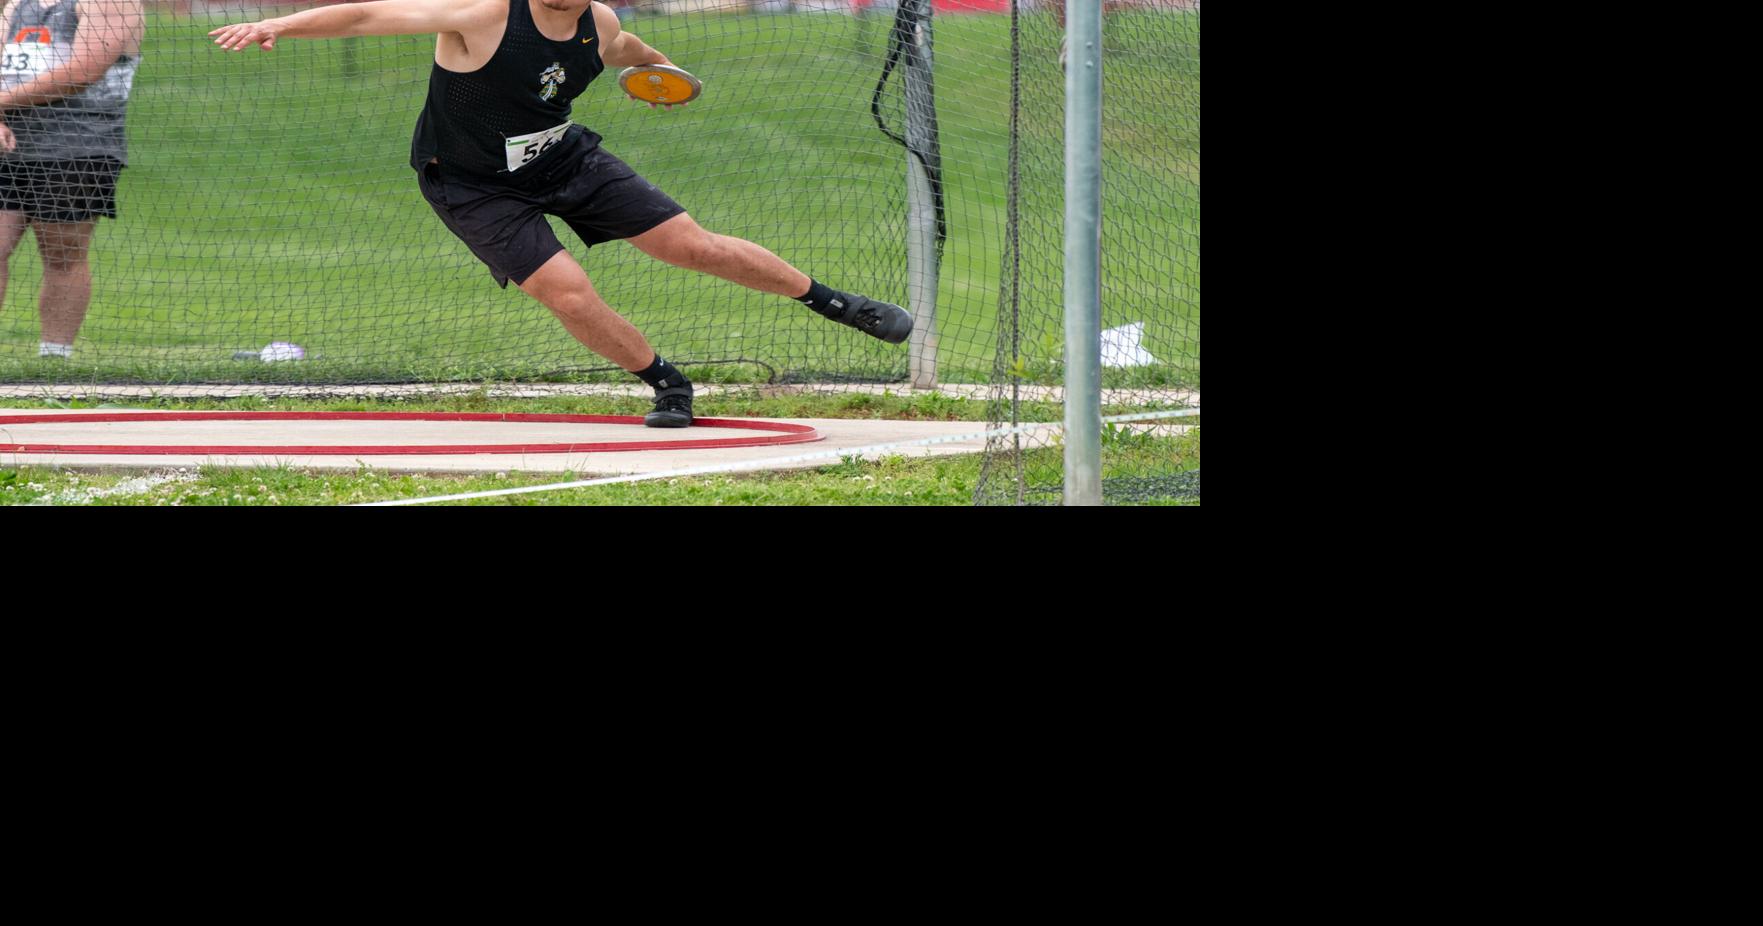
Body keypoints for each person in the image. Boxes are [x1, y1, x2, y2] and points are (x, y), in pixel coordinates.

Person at [211, 0, 913, 428]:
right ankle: (667, 383)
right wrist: (279, 24)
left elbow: (633, 53)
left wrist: (660, 79)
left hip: (562, 158)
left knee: (688, 244)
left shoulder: (598, 21)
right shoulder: (482, 14)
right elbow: (368, 15)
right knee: (568, 292)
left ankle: (837, 304)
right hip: (472, 184)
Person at [0, 0, 142, 360]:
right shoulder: (19, 2)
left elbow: (82, 72)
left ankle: (54, 359)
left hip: (76, 146)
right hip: (10, 140)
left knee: (62, 254)